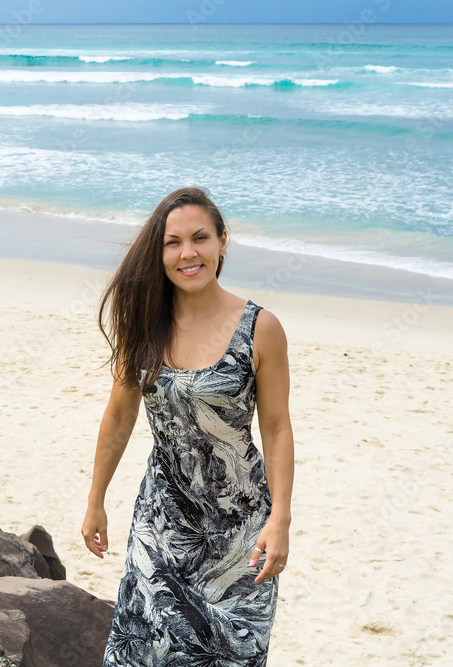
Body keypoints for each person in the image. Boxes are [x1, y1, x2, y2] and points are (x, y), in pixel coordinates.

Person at [81, 186, 295, 665]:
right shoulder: (143, 324)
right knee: (143, 653)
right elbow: (119, 415)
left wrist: (280, 517)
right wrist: (96, 500)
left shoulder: (261, 328)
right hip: (162, 522)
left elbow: (277, 428)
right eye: (172, 243)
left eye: (200, 238)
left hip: (241, 531)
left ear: (223, 241)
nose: (187, 253)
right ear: (159, 254)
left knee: (232, 655)